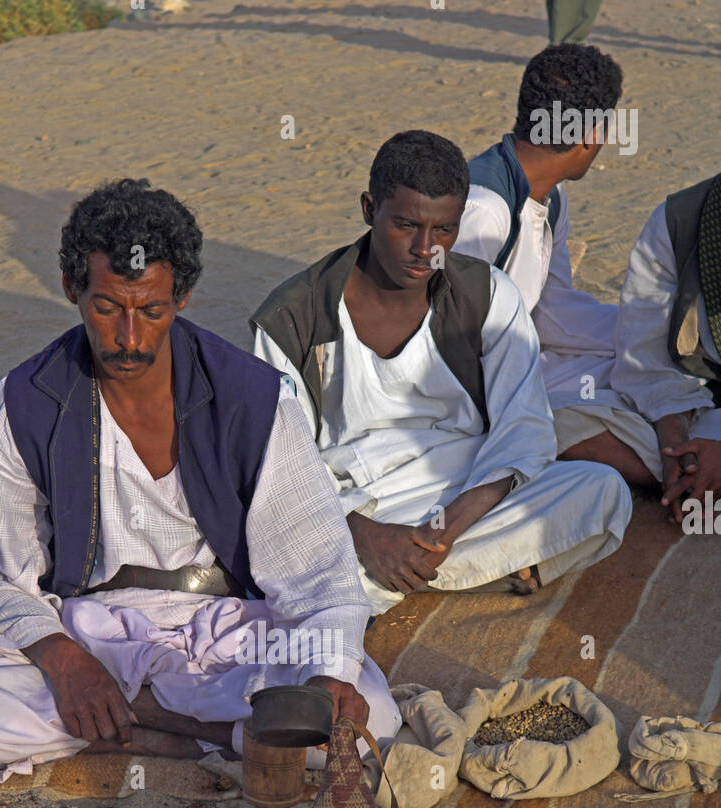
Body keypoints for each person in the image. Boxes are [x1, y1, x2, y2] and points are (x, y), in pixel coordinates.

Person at [0, 179, 400, 785]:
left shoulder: (255, 398)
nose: (129, 338)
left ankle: (133, 726)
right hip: (89, 627)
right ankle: (215, 736)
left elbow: (317, 569)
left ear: (183, 296)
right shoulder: (27, 400)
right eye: (108, 307)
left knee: (368, 716)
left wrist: (328, 677)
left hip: (231, 629)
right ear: (73, 289)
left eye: (151, 310)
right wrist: (65, 662)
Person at [250, 131, 631, 615]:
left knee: (602, 492)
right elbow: (284, 470)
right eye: (406, 225)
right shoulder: (292, 318)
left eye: (444, 231)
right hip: (352, 503)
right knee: (288, 550)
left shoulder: (489, 295)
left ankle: (400, 577)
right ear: (370, 208)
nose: (425, 249)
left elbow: (525, 428)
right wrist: (367, 537)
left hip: (464, 492)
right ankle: (445, 572)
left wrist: (442, 533)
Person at [453, 45, 659, 487]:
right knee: (620, 439)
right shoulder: (484, 211)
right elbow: (446, 345)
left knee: (651, 376)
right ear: (591, 136)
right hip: (467, 394)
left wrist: (652, 336)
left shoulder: (551, 196)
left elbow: (554, 313)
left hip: (521, 364)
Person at [612, 173, 721, 524]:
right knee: (564, 420)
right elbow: (646, 359)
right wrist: (674, 445)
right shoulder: (679, 221)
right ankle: (691, 473)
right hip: (705, 404)